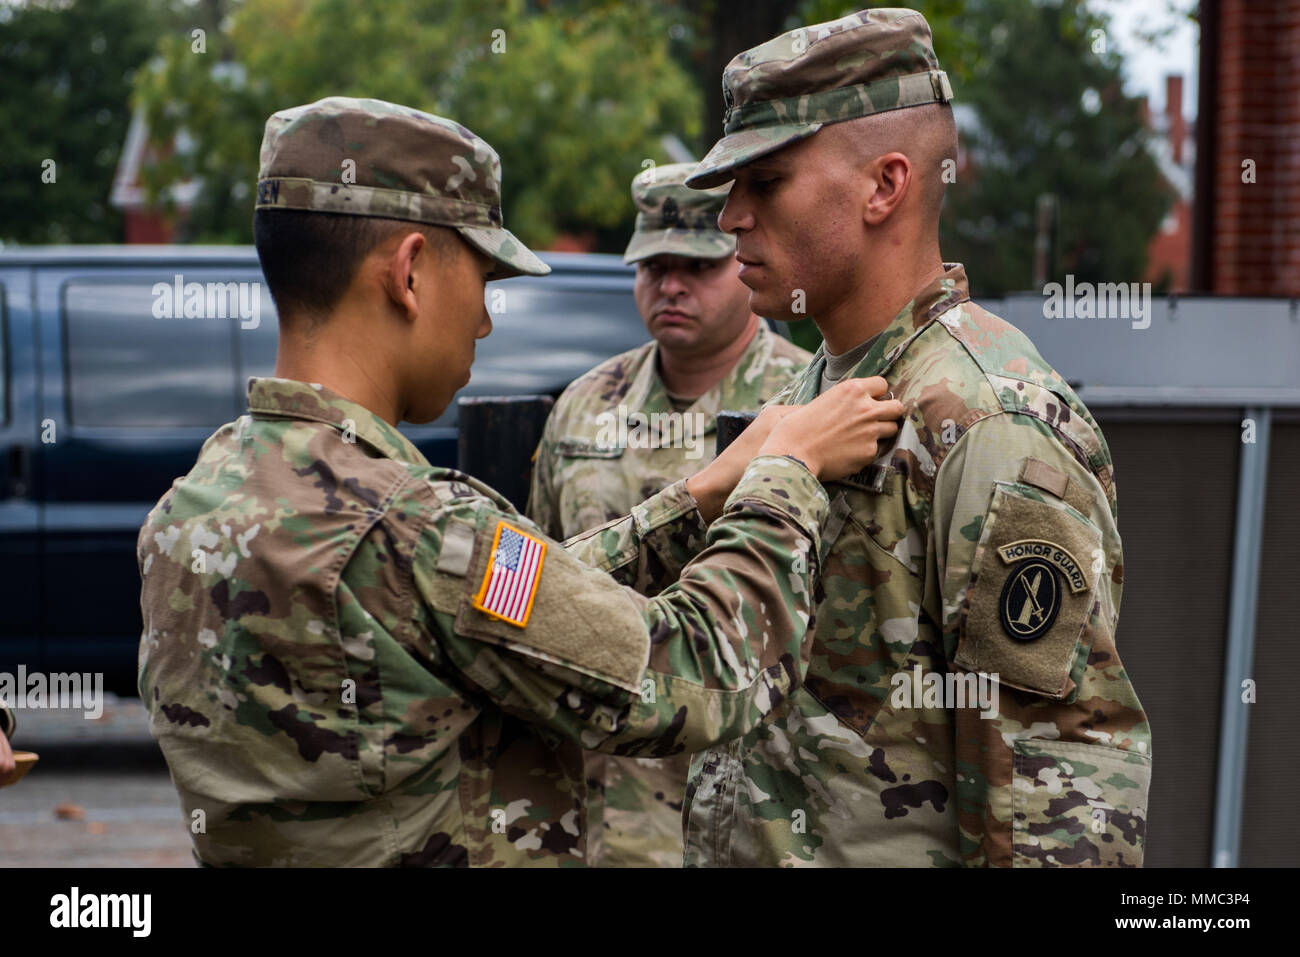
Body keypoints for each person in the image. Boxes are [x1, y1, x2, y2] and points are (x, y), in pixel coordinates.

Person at [135, 96, 904, 866]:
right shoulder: (421, 530)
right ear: (408, 273)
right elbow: (697, 671)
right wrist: (786, 474)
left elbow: (505, 613)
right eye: (481, 279)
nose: (484, 321)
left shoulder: (191, 508)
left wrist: (696, 498)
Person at [678, 8, 1152, 867]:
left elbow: (1053, 801)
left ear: (885, 185)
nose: (730, 218)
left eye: (767, 182)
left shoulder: (992, 423)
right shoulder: (812, 388)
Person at [527, 161, 809, 867]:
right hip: (601, 798)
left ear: (738, 263)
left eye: (694, 265)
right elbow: (545, 568)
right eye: (652, 266)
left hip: (751, 790)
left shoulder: (802, 401)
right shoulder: (586, 404)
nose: (669, 285)